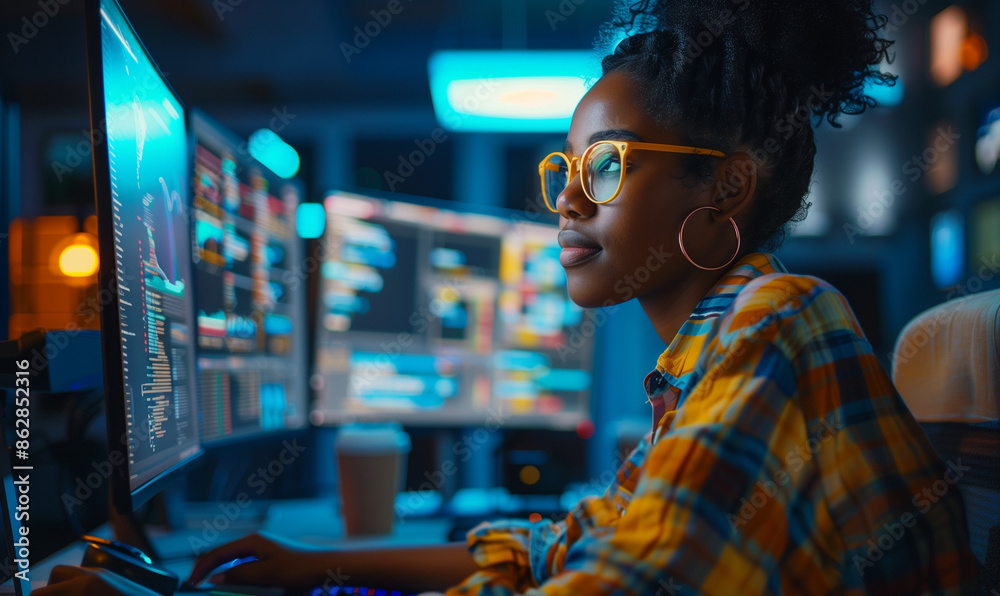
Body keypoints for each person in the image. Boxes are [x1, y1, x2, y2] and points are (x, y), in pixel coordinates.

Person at [39, 0, 981, 594]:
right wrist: (319, 568)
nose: (567, 198)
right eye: (565, 167)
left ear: (725, 187)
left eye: (606, 166)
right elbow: (568, 545)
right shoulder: (704, 361)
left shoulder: (778, 321)